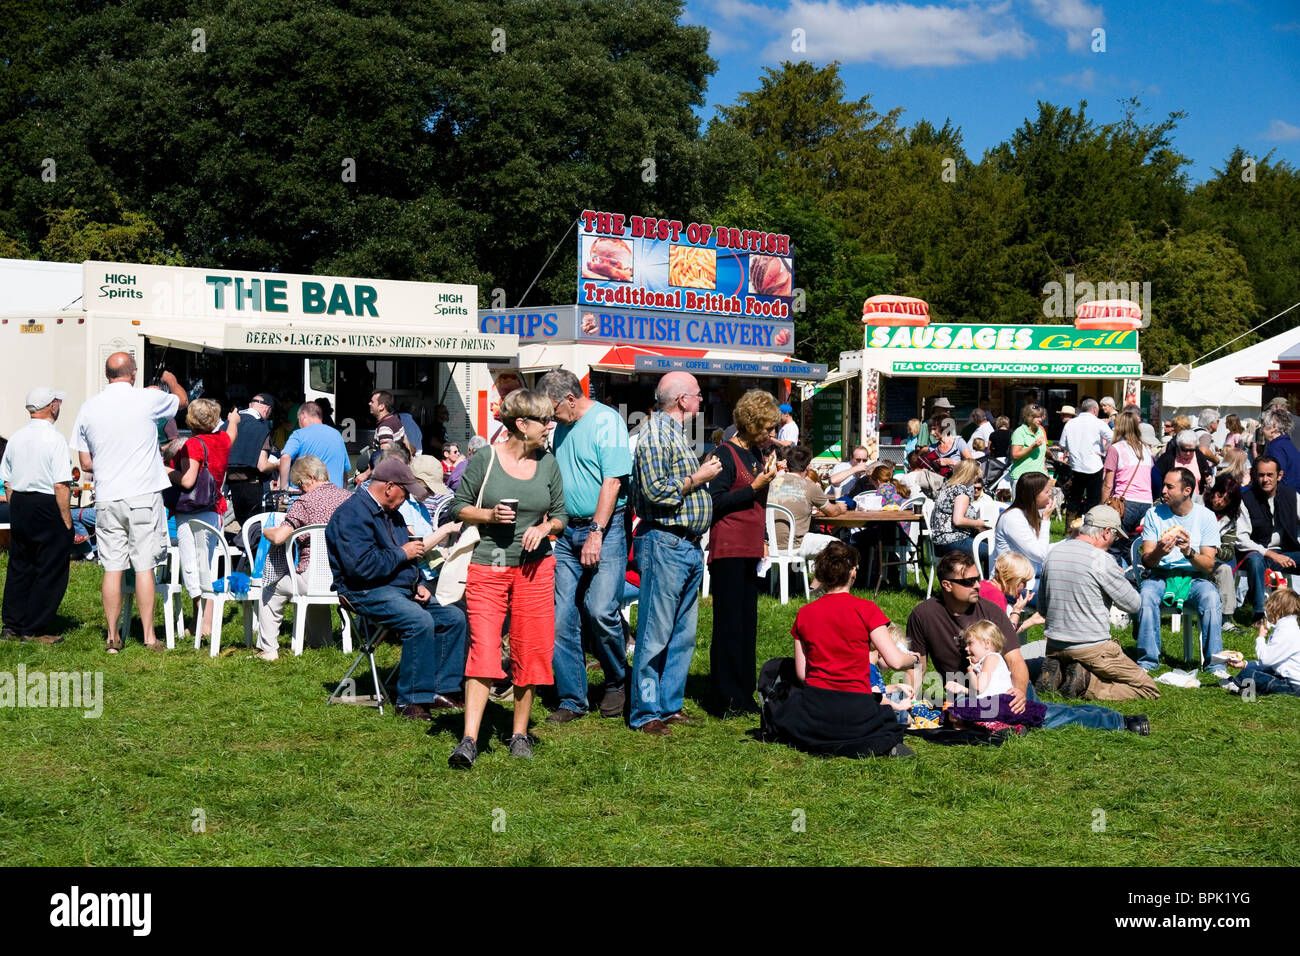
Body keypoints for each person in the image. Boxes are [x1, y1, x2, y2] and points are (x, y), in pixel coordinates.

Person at [444, 389, 566, 766]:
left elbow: (561, 514)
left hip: (535, 570)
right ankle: (468, 739)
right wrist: (490, 516)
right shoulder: (486, 459)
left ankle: (518, 734)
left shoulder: (548, 463)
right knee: (483, 649)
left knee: (529, 649)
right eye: (544, 421)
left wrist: (546, 528)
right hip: (489, 565)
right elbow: (457, 507)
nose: (550, 426)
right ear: (520, 424)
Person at [915, 549, 1149, 732]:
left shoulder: (991, 612)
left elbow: (1015, 661)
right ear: (946, 585)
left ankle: (1120, 722)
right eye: (968, 582)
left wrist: (1017, 691)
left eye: (977, 578)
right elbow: (918, 666)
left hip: (1004, 687)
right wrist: (912, 702)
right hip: (966, 691)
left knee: (1046, 717)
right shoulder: (923, 614)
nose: (977, 584)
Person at [325, 457, 468, 719]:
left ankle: (442, 691)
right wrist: (401, 554)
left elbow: (410, 559)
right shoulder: (350, 515)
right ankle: (411, 701)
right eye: (404, 493)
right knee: (419, 621)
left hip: (396, 588)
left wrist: (419, 584)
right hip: (362, 590)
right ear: (389, 487)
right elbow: (360, 568)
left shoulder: (394, 514)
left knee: (454, 618)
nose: (406, 499)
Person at [626, 371, 721, 735]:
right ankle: (645, 712)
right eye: (698, 395)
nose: (702, 400)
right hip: (665, 542)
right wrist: (698, 479)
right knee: (655, 632)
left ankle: (668, 705)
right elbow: (653, 492)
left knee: (681, 633)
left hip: (684, 544)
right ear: (682, 400)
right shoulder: (654, 435)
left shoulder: (673, 434)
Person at [537, 369, 633, 723]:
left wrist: (596, 531)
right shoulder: (561, 428)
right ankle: (572, 698)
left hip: (603, 530)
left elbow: (613, 481)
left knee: (599, 609)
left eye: (552, 410)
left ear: (571, 399)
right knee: (561, 618)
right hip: (565, 533)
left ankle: (618, 680)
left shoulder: (607, 422)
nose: (549, 418)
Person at [759, 540, 915, 758]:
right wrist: (913, 659)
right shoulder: (867, 609)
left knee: (787, 708)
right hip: (858, 708)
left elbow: (803, 675)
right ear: (852, 572)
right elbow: (896, 662)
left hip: (816, 708)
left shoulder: (805, 613)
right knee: (888, 719)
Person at [70, 353, 181, 653]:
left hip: (107, 496)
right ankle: (148, 636)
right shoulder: (147, 399)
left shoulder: (88, 407)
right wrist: (170, 381)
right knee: (144, 566)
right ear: (132, 374)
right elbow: (181, 401)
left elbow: (85, 461)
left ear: (107, 374)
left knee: (113, 567)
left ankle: (112, 636)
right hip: (143, 493)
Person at [709, 389, 780, 715]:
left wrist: (764, 536)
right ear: (750, 423)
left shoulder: (755, 455)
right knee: (729, 625)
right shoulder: (724, 454)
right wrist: (754, 486)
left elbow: (757, 504)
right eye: (767, 427)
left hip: (750, 547)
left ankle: (744, 692)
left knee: (747, 624)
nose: (771, 433)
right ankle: (725, 697)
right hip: (728, 548)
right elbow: (716, 502)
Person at [1038, 505, 1156, 701]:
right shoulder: (1102, 559)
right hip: (1092, 647)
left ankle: (1062, 672)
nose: (1113, 543)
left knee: (1073, 658)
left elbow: (1043, 609)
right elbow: (1134, 604)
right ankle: (1086, 684)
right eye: (1115, 538)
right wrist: (1119, 579)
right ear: (1106, 532)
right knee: (1148, 688)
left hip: (1054, 644)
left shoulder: (1054, 553)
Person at [255, 455, 354, 659]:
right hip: (346, 576)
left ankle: (268, 649)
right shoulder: (350, 498)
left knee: (271, 586)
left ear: (310, 477)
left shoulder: (304, 502)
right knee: (311, 585)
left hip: (313, 576)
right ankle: (320, 642)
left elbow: (280, 537)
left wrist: (267, 531)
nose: (299, 490)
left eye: (299, 484)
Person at [0, 387, 73, 643]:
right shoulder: (55, 439)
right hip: (46, 503)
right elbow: (61, 485)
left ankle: (12, 625)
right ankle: (35, 628)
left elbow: (7, 480)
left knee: (20, 564)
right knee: (51, 566)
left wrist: (16, 505)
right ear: (52, 406)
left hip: (19, 501)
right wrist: (66, 520)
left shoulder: (17, 438)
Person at [1138, 468, 1228, 677]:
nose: (1163, 491)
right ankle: (1147, 661)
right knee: (1146, 594)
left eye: (1170, 486)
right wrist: (1160, 550)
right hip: (1160, 574)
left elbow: (1207, 566)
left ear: (1187, 490)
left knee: (1210, 596)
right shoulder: (1154, 514)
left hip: (1195, 577)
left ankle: (1216, 665)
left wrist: (1188, 552)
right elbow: (1148, 561)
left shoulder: (1205, 517)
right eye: (1164, 485)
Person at [167, 398, 237, 642]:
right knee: (206, 564)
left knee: (191, 566)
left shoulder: (194, 444)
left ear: (191, 420)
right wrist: (234, 419)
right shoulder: (223, 440)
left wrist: (164, 469)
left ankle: (200, 621)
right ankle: (205, 620)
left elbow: (187, 480)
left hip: (192, 511)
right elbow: (231, 432)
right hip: (215, 509)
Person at [1236, 455, 1300, 623]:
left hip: (1286, 551)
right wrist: (1270, 554)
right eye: (1261, 475)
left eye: (1270, 475)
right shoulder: (1245, 499)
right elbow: (1241, 539)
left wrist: (1280, 555)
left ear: (1279, 475)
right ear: (1254, 475)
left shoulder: (1291, 495)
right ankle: (1259, 614)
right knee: (1256, 561)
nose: (1265, 479)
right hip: (1256, 553)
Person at [768, 444, 846, 559]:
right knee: (838, 546)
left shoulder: (771, 483)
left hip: (770, 545)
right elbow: (832, 512)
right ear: (808, 467)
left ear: (787, 464)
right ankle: (822, 577)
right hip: (795, 546)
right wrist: (840, 507)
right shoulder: (810, 486)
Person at [1229, 587, 1300, 697]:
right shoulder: (1289, 627)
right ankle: (1246, 689)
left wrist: (1261, 637)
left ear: (1276, 610)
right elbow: (1271, 664)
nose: (1267, 613)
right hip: (1286, 678)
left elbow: (1266, 660)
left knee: (1248, 674)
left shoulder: (1286, 631)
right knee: (1257, 672)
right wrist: (1245, 664)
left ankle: (1241, 689)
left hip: (1292, 686)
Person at [1100, 409, 1156, 540]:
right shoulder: (1146, 449)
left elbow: (1108, 484)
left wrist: (1102, 506)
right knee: (1133, 545)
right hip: (1146, 502)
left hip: (1124, 503)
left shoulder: (1116, 448)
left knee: (1115, 544)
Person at [992, 470, 1053, 585]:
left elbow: (1041, 547)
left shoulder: (1028, 513)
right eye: (1046, 491)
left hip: (1030, 575)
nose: (1050, 494)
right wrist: (1046, 520)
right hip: (1013, 582)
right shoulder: (1013, 518)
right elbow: (1040, 555)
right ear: (1034, 495)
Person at [224, 392, 277, 525]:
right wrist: (278, 464)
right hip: (252, 486)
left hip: (231, 486)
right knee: (253, 530)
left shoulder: (227, 425)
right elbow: (262, 465)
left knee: (243, 525)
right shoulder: (261, 428)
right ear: (267, 409)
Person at [277, 400, 350, 490]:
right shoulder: (337, 435)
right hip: (335, 497)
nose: (299, 425)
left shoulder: (299, 434)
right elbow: (344, 471)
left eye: (298, 420)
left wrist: (284, 488)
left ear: (303, 415)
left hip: (305, 498)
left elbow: (285, 457)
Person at [930, 460, 990, 565]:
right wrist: (979, 523)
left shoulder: (947, 487)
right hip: (953, 541)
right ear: (971, 475)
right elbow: (958, 520)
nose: (977, 479)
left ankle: (981, 579)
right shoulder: (961, 491)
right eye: (977, 476)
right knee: (994, 551)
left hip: (939, 542)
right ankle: (987, 581)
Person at [1060, 398, 1110, 516]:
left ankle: (1070, 529)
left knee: (1074, 497)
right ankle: (1090, 526)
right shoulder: (1099, 423)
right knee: (1093, 499)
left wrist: (1072, 448)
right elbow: (1113, 438)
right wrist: (1105, 449)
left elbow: (1062, 444)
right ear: (1094, 410)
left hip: (1076, 465)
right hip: (1095, 466)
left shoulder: (1070, 423)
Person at [1206, 472, 1242, 628]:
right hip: (1186, 558)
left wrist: (1214, 549)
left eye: (1226, 500)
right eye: (1219, 495)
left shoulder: (1229, 522)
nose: (1219, 501)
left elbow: (1228, 553)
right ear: (1214, 491)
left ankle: (1226, 619)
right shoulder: (1197, 506)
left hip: (1208, 561)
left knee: (1225, 569)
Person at [943, 620, 1013, 701]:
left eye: (970, 643)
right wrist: (961, 689)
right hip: (992, 703)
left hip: (1000, 703)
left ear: (987, 644)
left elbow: (979, 688)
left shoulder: (991, 658)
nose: (966, 648)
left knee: (958, 709)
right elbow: (980, 693)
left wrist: (970, 672)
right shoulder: (987, 660)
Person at [985, 552, 1044, 633]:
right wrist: (1017, 610)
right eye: (1024, 582)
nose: (1025, 586)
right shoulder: (996, 598)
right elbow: (1005, 637)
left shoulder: (984, 585)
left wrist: (1032, 621)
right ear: (1013, 580)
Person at [1155, 429, 1212, 501]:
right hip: (1172, 501)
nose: (1188, 453)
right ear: (1178, 446)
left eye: (1191, 450)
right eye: (1184, 449)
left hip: (1195, 499)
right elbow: (1157, 477)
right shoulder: (1168, 457)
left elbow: (1206, 470)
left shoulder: (1198, 455)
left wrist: (1208, 476)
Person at [1008, 403, 1049, 487]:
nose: (1040, 419)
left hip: (1039, 478)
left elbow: (1042, 455)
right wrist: (1032, 447)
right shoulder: (1019, 432)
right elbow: (1015, 455)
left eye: (1041, 417)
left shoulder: (1040, 430)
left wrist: (1045, 472)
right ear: (1029, 417)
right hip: (1022, 479)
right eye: (1037, 417)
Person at [1261, 407, 1300, 490]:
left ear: (1274, 427)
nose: (1262, 430)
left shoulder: (1275, 447)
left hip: (1285, 495)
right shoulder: (1288, 444)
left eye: (1264, 425)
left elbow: (1277, 477)